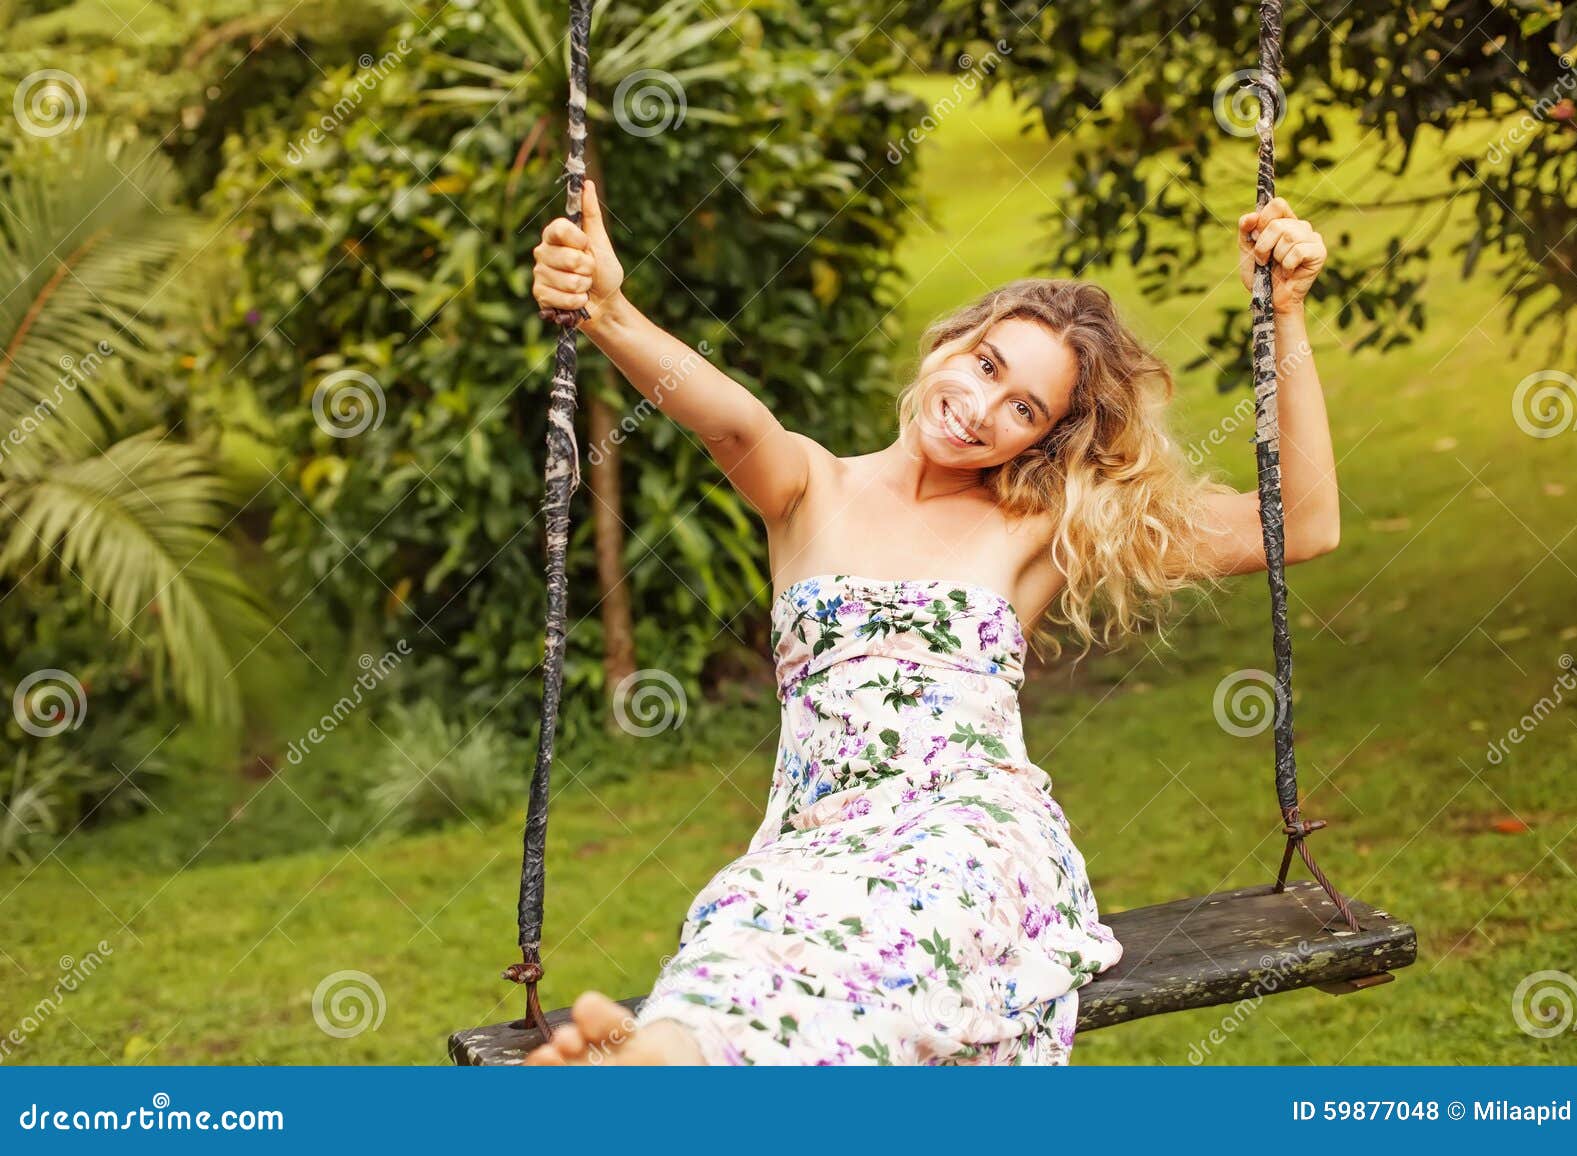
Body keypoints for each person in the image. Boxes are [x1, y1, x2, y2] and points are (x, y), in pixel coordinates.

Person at [522, 179, 1337, 1065]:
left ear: (1043, 440)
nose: (985, 408)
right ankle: (655, 1063)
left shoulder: (1038, 528)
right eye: (987, 364)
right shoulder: (807, 486)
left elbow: (1304, 521)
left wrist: (1284, 317)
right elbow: (725, 418)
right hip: (820, 838)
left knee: (911, 910)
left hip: (973, 831)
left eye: (1026, 408)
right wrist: (606, 312)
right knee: (744, 922)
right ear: (952, 343)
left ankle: (656, 1071)